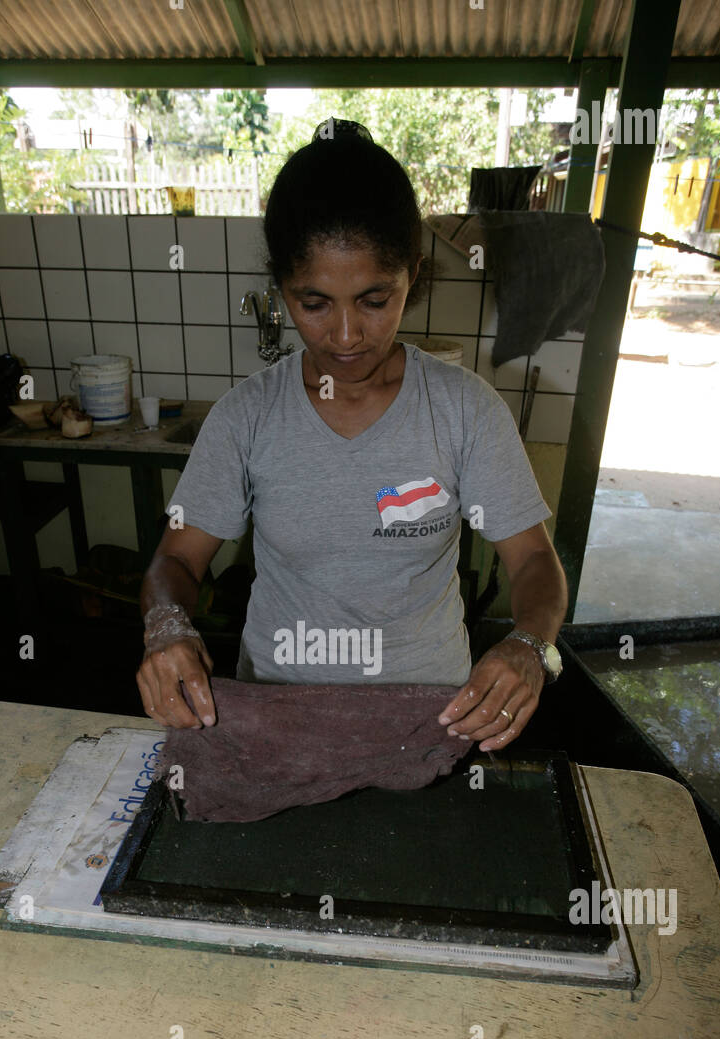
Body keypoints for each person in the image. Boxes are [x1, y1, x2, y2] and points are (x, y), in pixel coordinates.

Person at [137, 119, 567, 754]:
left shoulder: (464, 410)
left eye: (374, 300)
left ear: (412, 277)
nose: (345, 336)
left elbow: (534, 562)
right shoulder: (246, 417)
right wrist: (167, 627)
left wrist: (529, 645)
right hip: (279, 716)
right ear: (281, 289)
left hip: (430, 721)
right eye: (314, 304)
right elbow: (175, 561)